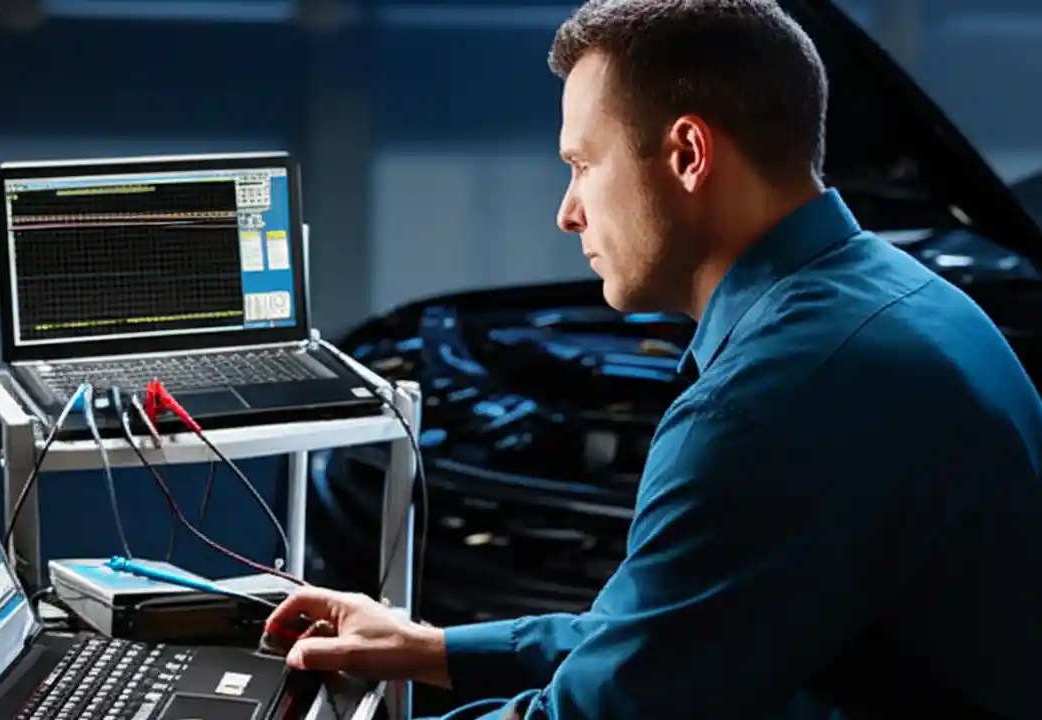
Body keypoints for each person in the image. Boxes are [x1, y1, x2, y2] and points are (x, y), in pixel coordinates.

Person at [266, 1, 1042, 717]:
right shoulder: (898, 297)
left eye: (582, 164)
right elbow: (669, 625)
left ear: (687, 153)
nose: (567, 211)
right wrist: (427, 649)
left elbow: (605, 710)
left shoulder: (770, 401)